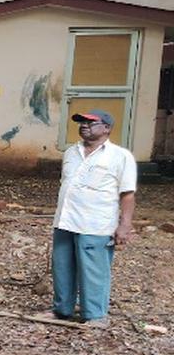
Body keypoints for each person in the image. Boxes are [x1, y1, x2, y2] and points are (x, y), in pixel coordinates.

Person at [45, 109, 136, 328]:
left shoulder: (120, 156)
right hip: (66, 220)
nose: (85, 125)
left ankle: (95, 314)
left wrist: (124, 225)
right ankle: (62, 310)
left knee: (94, 270)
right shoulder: (71, 152)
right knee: (62, 266)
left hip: (96, 223)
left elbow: (128, 194)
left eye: (91, 122)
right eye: (82, 122)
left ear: (107, 128)